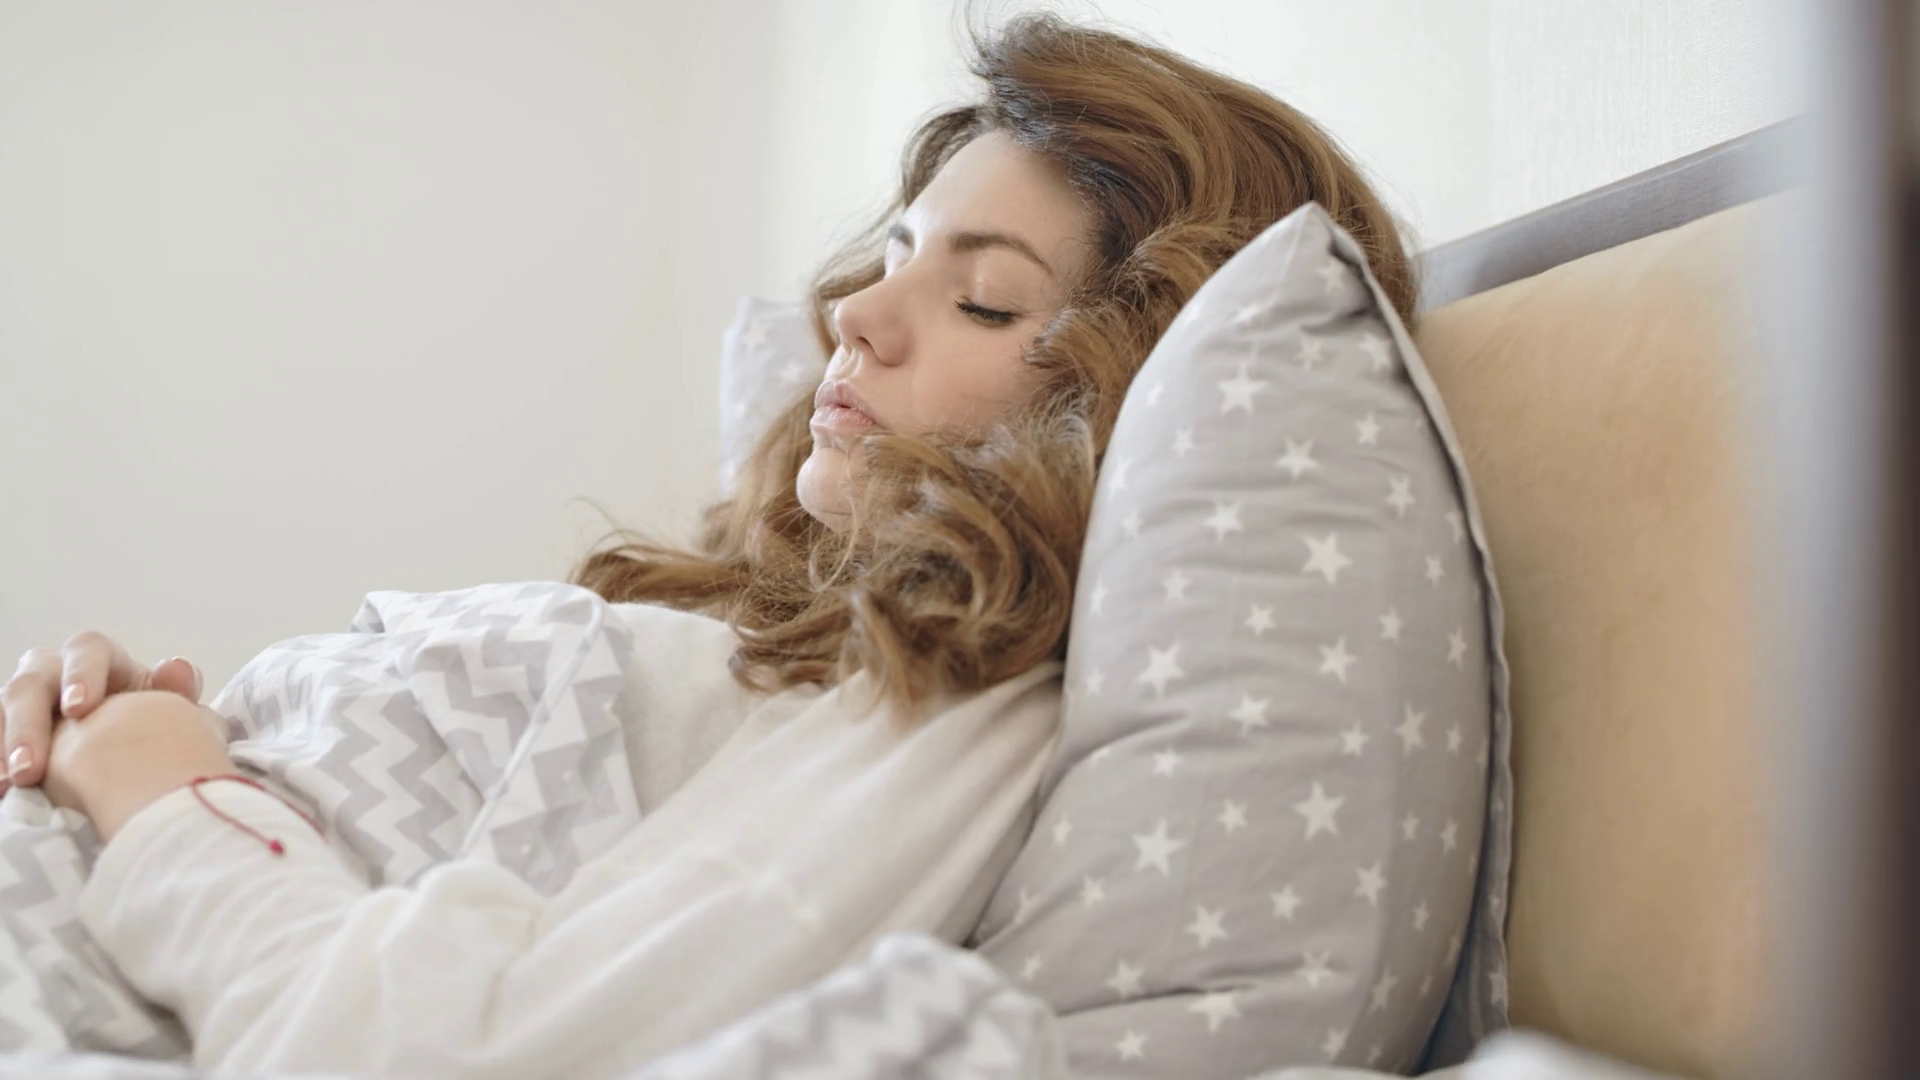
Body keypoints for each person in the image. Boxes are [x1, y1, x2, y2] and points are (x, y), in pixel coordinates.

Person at [0, 12, 1417, 1078]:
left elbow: (427, 1051)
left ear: (1116, 400)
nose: (855, 316)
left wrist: (174, 806)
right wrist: (125, 724)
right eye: (900, 251)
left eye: (984, 302)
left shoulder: (953, 709)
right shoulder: (772, 636)